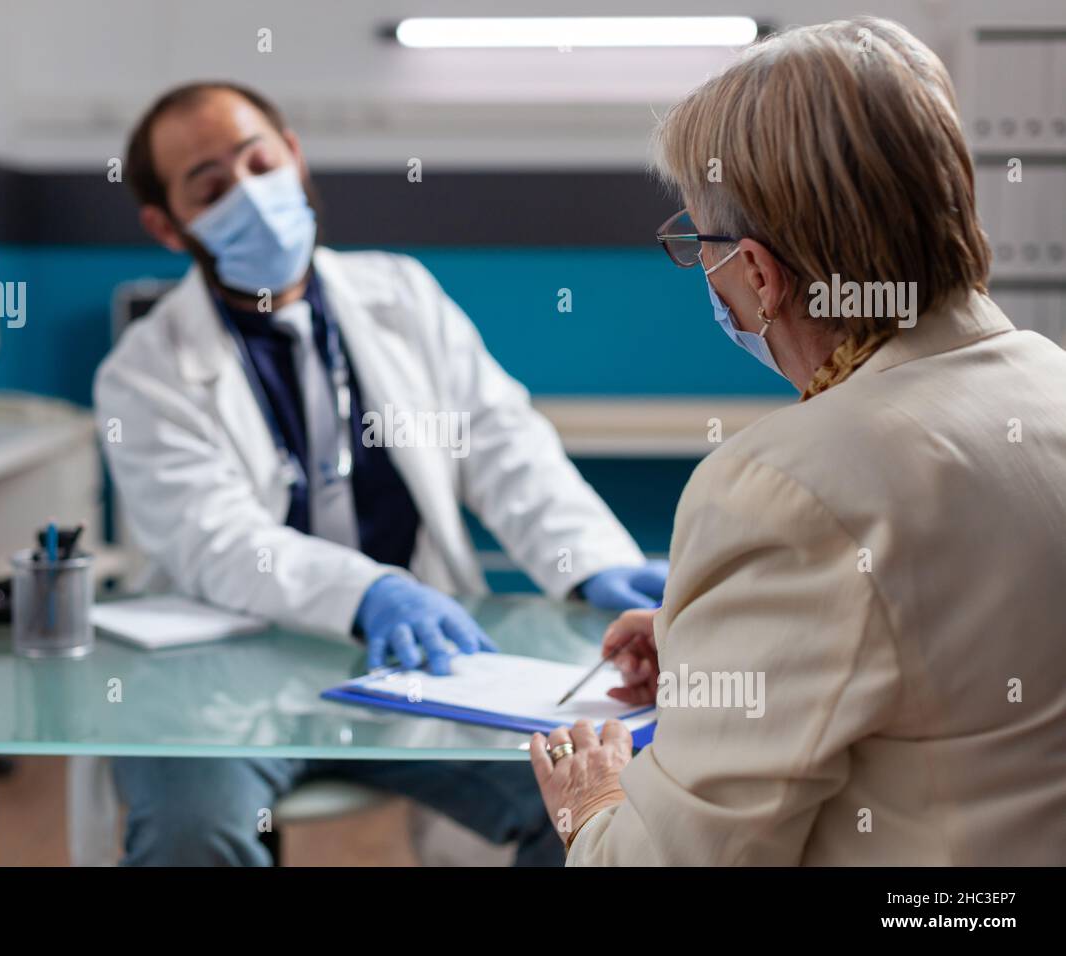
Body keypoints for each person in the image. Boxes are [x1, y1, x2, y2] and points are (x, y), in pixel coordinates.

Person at [531, 16, 1066, 865]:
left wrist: (591, 805)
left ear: (757, 273)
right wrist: (721, 646)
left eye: (697, 245)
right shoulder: (1047, 386)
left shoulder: (783, 484)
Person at [94, 81, 668, 865]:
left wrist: (595, 562)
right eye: (212, 188)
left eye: (259, 161)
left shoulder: (401, 295)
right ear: (167, 225)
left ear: (292, 154)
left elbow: (505, 447)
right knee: (194, 832)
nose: (252, 195)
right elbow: (215, 539)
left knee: (590, 794)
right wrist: (368, 590)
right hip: (224, 676)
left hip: (419, 665)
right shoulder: (143, 372)